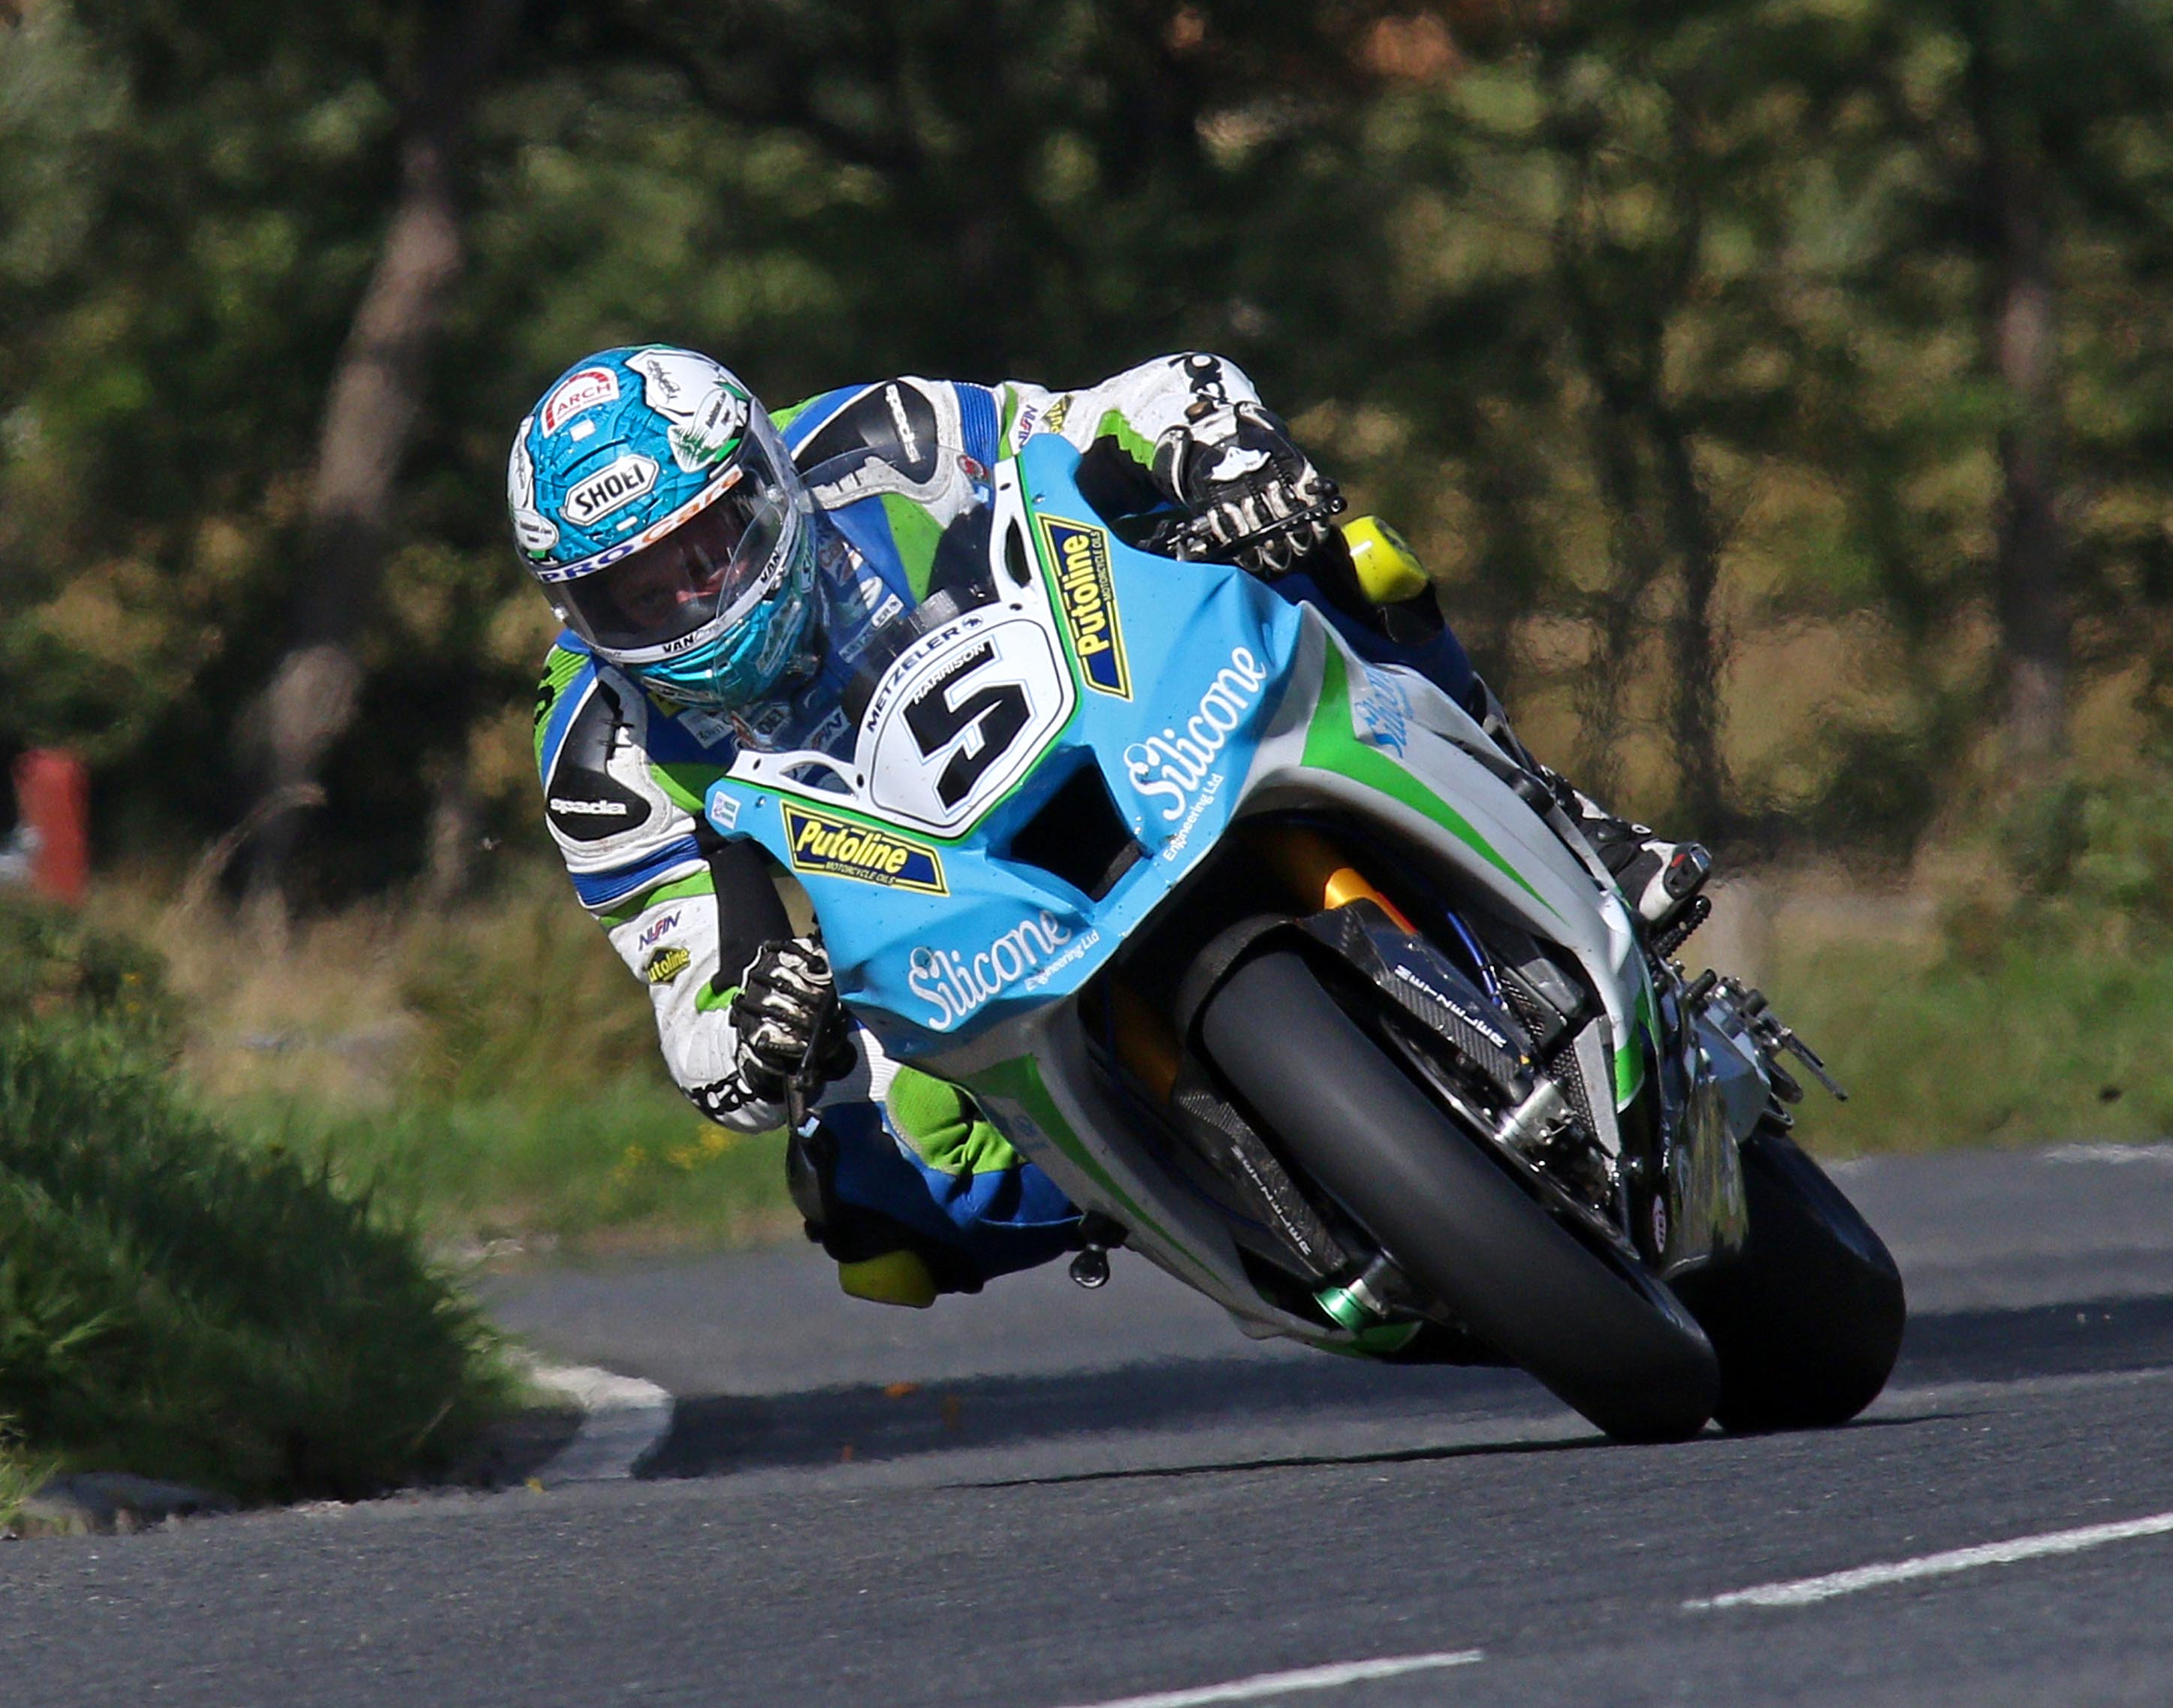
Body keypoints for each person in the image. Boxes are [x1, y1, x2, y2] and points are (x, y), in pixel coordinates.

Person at [510, 345, 1713, 1305]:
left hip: (1102, 698)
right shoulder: (598, 749)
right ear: (576, 604)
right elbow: (689, 1004)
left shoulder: (879, 440)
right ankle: (1173, 1181)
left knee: (1353, 556)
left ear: (762, 482)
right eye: (634, 589)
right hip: (915, 898)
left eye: (702, 550)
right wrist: (764, 1039)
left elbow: (1116, 410)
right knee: (875, 1205)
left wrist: (1229, 459)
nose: (683, 599)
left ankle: (1559, 811)